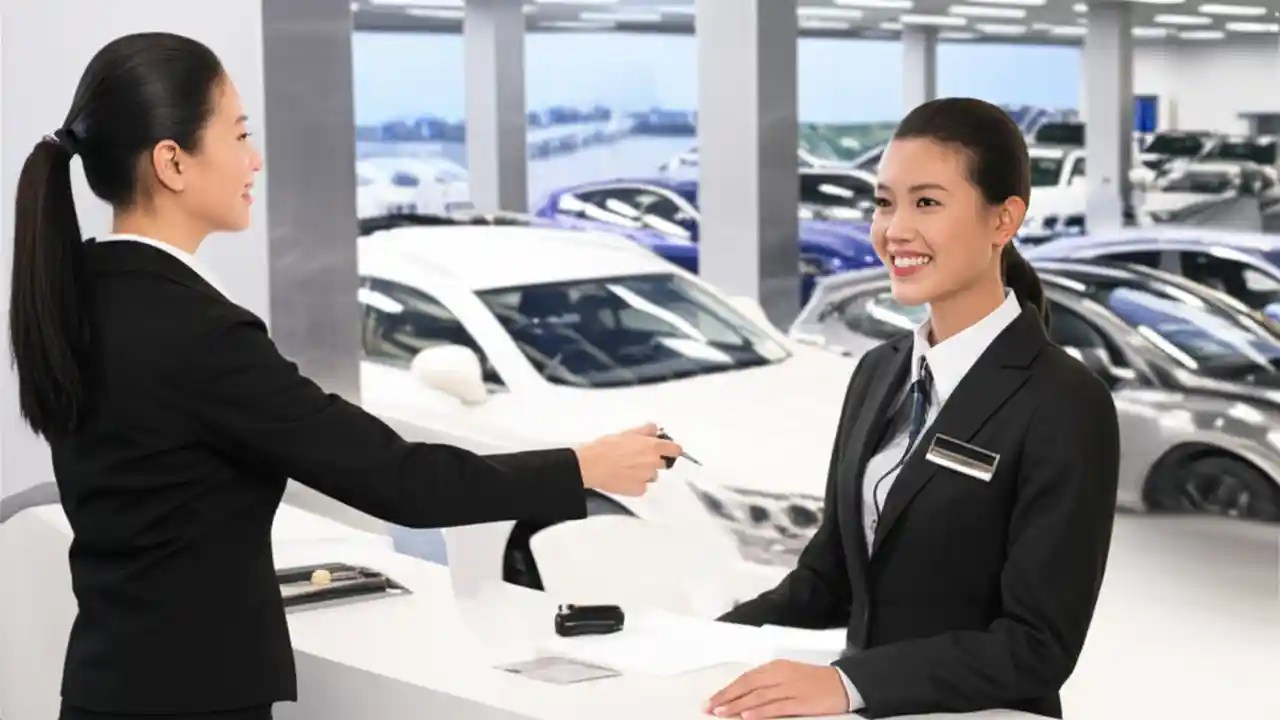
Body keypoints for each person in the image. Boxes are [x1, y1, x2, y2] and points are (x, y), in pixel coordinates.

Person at [8, 32, 682, 720]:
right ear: (173, 162)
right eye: (238, 135)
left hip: (104, 691)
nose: (254, 159)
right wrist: (585, 466)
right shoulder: (200, 334)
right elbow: (403, 481)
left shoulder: (78, 294)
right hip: (193, 704)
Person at [705, 97, 1120, 719]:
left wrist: (848, 683)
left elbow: (1037, 645)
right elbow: (829, 578)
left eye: (926, 202)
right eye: (884, 202)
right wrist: (702, 640)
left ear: (1003, 220)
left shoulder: (1064, 402)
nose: (895, 229)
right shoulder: (878, 373)